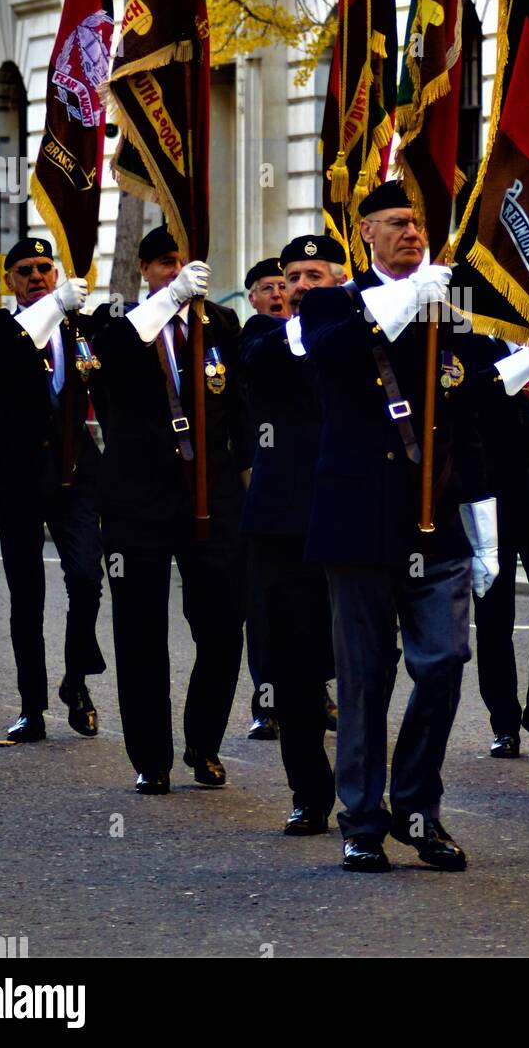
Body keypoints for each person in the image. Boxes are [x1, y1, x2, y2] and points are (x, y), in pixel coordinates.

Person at [299, 180, 499, 873]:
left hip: (435, 523)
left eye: (417, 222)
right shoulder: (329, 299)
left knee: (443, 662)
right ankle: (360, 819)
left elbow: (470, 417)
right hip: (357, 521)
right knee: (363, 680)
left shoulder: (451, 305)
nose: (412, 233)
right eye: (395, 223)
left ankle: (417, 808)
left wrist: (486, 530)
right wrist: (413, 298)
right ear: (364, 234)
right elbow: (329, 354)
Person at [93, 227, 252, 795]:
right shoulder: (114, 326)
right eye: (165, 263)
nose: (178, 271)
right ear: (143, 269)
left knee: (222, 625)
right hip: (138, 499)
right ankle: (151, 756)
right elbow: (113, 361)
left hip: (211, 495)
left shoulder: (220, 327)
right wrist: (169, 298)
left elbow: (239, 405)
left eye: (184, 262)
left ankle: (203, 744)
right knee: (139, 632)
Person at [0, 237, 105, 742]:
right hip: (18, 478)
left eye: (46, 268)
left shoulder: (79, 326)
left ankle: (77, 680)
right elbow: (9, 357)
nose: (37, 276)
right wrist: (55, 306)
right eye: (25, 270)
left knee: (88, 577)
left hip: (74, 472)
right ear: (10, 281)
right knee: (28, 595)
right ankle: (32, 706)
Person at [240, 233, 346, 834]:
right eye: (293, 276)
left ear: (339, 280)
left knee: (361, 663)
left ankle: (365, 789)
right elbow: (260, 365)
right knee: (294, 668)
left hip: (352, 519)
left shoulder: (365, 335)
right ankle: (309, 791)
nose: (301, 286)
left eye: (315, 275)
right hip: (283, 523)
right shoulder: (266, 338)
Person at [466, 341, 529, 758]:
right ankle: (503, 722)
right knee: (494, 618)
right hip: (491, 500)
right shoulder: (475, 352)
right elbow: (472, 401)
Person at [241, 256, 287, 739]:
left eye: (285, 284)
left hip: (315, 490)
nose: (278, 294)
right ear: (252, 296)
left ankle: (315, 689)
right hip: (265, 490)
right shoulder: (254, 335)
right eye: (269, 286)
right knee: (266, 607)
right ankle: (267, 701)